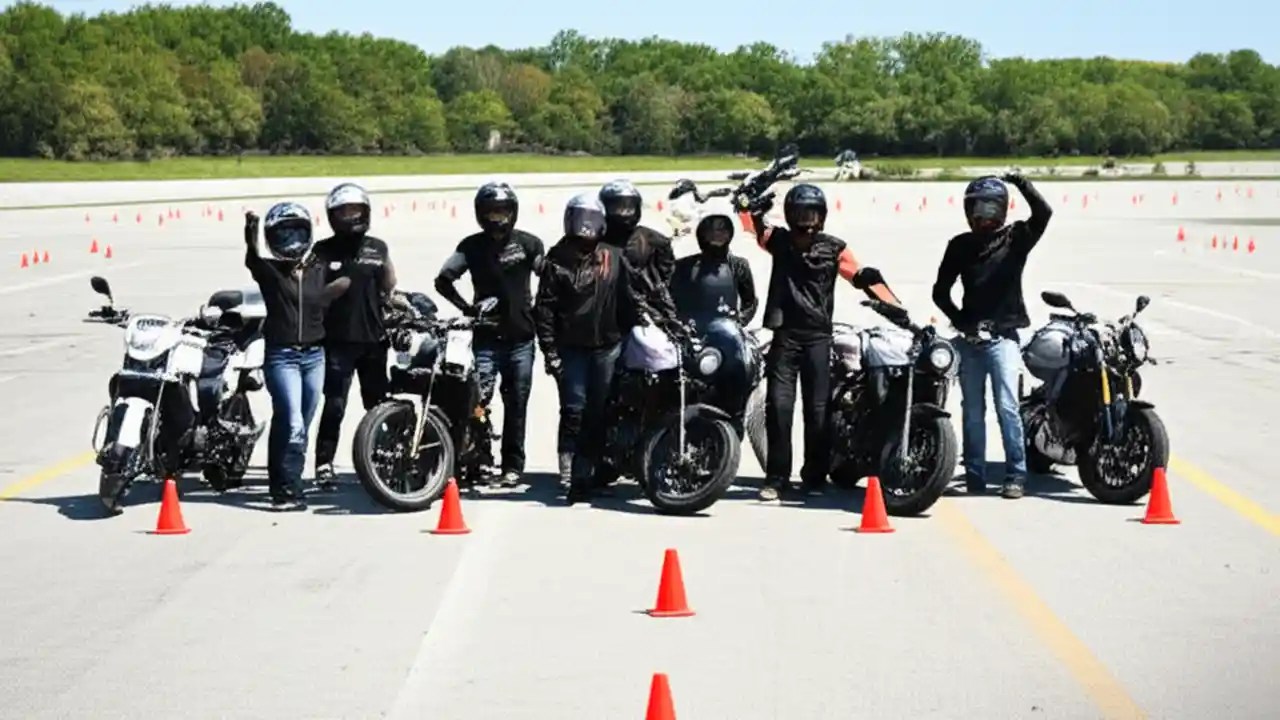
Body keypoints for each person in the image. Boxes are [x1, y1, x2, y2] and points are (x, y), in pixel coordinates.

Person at [749, 183, 902, 502]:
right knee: (778, 408)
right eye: (801, 212)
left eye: (813, 213)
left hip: (819, 337)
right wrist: (754, 200)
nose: (807, 219)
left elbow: (861, 276)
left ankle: (814, 477)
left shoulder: (834, 247)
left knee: (817, 411)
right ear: (790, 215)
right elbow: (751, 222)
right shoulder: (779, 241)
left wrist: (895, 306)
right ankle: (776, 478)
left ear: (822, 216)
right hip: (785, 337)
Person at [932, 173, 1053, 499]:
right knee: (972, 411)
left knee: (1007, 407)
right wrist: (961, 321)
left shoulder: (1016, 238)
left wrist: (1022, 184)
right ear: (968, 211)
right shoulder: (960, 245)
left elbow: (1044, 214)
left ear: (1003, 210)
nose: (984, 217)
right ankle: (974, 474)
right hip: (970, 341)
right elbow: (940, 292)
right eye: (978, 209)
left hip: (1004, 338)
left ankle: (1016, 474)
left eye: (991, 209)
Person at [435, 181, 545, 488]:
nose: (497, 218)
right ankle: (480, 459)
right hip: (484, 341)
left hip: (522, 339)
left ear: (513, 212)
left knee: (517, 403)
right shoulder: (470, 246)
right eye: (491, 212)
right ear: (480, 214)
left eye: (502, 211)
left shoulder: (529, 244)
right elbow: (443, 280)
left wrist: (542, 313)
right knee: (478, 401)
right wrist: (466, 308)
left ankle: (513, 465)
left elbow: (548, 278)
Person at [533, 192, 640, 504]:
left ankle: (593, 471)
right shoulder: (556, 260)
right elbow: (544, 310)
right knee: (574, 410)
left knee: (601, 411)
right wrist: (550, 352)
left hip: (608, 346)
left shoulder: (613, 257)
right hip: (571, 349)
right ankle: (569, 472)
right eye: (580, 219)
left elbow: (630, 298)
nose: (586, 226)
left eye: (592, 219)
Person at [243, 203, 351, 510]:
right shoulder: (270, 271)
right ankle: (287, 491)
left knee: (300, 422)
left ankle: (285, 479)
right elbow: (252, 258)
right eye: (284, 234)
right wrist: (251, 231)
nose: (291, 239)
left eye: (297, 232)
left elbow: (348, 277)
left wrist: (336, 290)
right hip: (282, 357)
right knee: (292, 422)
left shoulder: (319, 267)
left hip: (314, 356)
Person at [311, 182, 397, 491]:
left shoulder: (378, 247)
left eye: (357, 210)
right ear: (334, 216)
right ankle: (323, 462)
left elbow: (389, 284)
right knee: (334, 404)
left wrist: (396, 300)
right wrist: (330, 291)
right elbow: (311, 295)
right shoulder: (322, 250)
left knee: (377, 404)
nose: (352, 216)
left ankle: (382, 457)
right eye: (346, 211)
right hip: (337, 341)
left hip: (374, 340)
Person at [598, 179, 677, 326]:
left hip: (646, 314)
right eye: (618, 208)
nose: (624, 213)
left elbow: (668, 278)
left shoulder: (654, 241)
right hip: (604, 315)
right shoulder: (594, 242)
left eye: (629, 208)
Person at [668, 209, 758, 329]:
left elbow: (750, 302)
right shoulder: (684, 265)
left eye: (722, 233)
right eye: (712, 234)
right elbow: (671, 297)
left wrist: (739, 323)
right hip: (692, 329)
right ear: (702, 236)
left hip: (727, 328)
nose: (718, 237)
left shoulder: (739, 265)